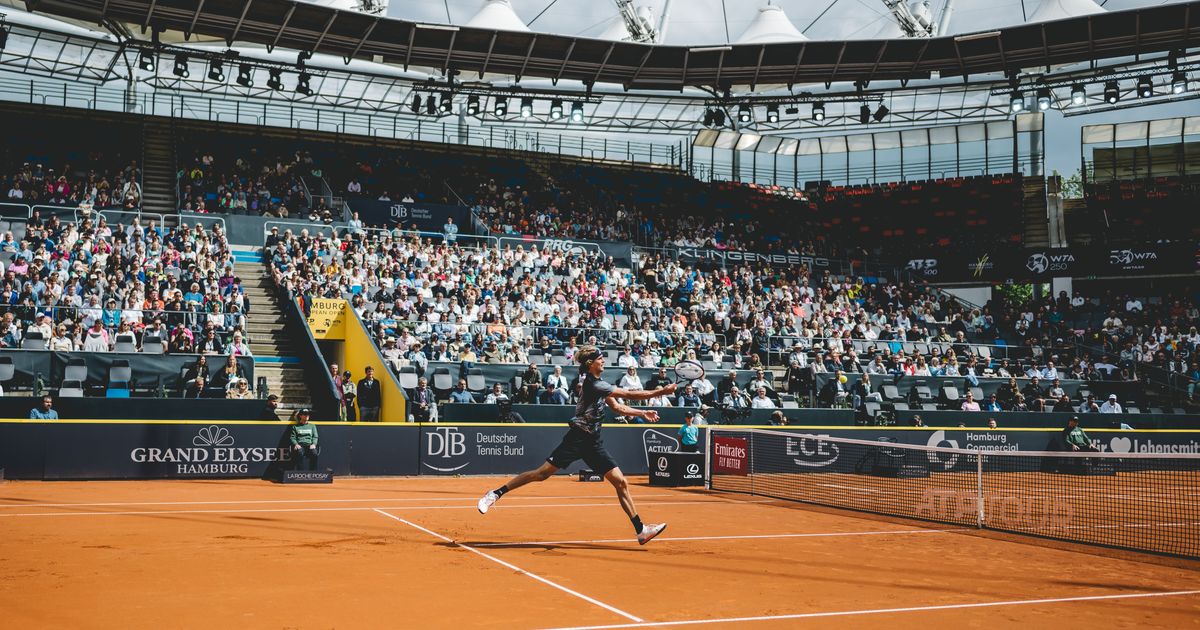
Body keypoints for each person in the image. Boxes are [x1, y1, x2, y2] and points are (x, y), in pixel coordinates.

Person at [477, 346, 675, 545]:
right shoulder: (594, 385)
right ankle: (495, 494)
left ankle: (641, 530)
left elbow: (617, 406)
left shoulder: (601, 385)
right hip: (577, 439)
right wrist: (662, 391)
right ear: (591, 364)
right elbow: (628, 394)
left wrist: (642, 413)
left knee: (621, 482)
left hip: (593, 442)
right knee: (541, 474)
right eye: (600, 359)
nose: (603, 361)